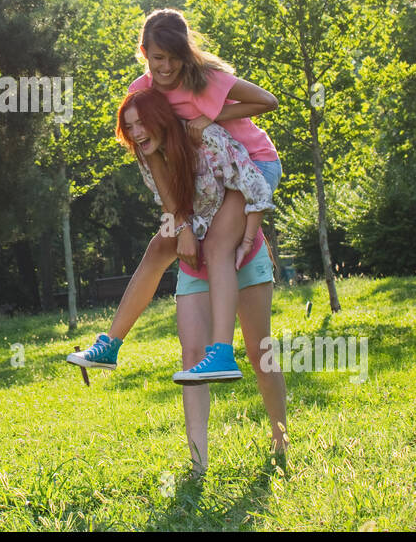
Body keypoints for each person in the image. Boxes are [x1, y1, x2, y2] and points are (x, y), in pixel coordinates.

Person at [68, 88, 286, 468]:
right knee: (190, 355)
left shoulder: (205, 138)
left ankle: (281, 439)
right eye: (129, 126)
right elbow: (171, 204)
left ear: (162, 118)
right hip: (195, 254)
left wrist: (249, 239)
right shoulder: (148, 154)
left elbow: (255, 186)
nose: (135, 133)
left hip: (240, 256)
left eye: (142, 124)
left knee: (259, 352)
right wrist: (183, 228)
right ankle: (198, 463)